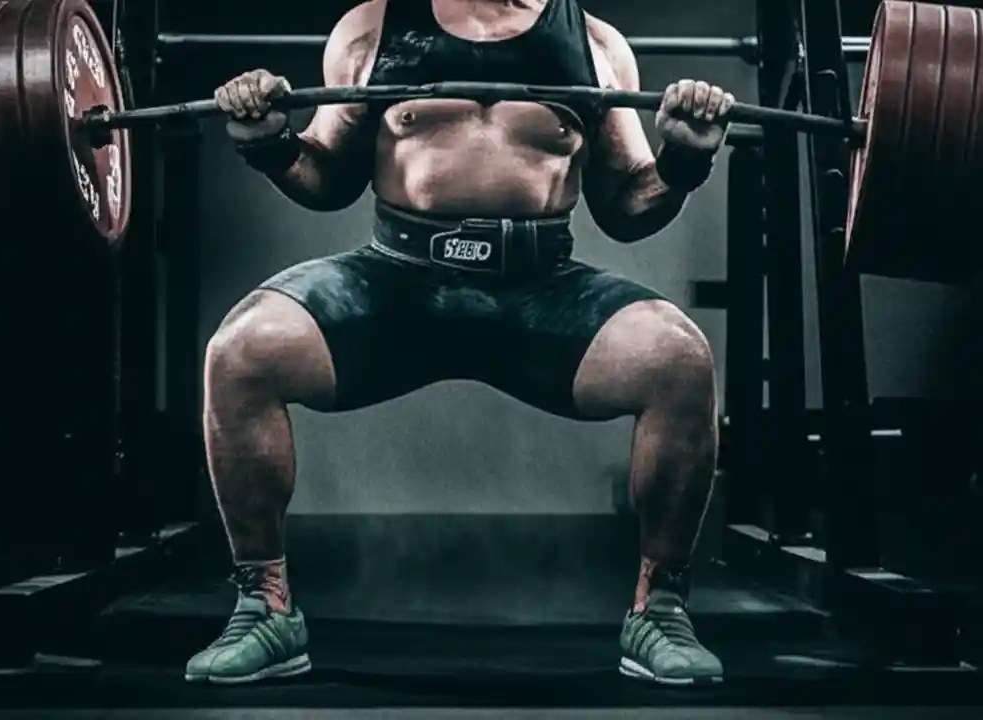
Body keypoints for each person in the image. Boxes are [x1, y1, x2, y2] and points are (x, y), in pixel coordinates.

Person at [186, 0, 735, 687]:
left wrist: (683, 161)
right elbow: (327, 177)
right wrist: (269, 143)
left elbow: (627, 204)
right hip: (398, 284)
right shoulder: (372, 27)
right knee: (241, 353)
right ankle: (263, 608)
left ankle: (660, 610)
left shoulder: (596, 44)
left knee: (679, 363)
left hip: (538, 289)